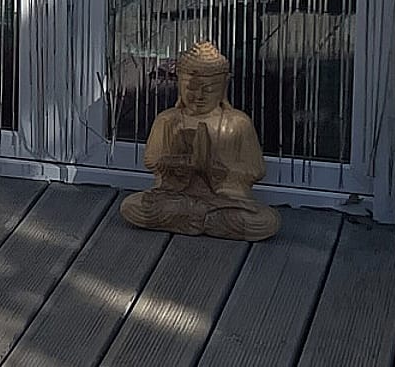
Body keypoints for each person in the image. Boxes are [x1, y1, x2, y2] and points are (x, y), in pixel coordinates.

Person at [120, 41, 280, 241]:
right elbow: (152, 161)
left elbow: (256, 170)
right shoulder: (168, 120)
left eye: (209, 89)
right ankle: (203, 220)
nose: (199, 96)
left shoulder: (238, 123)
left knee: (266, 220)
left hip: (224, 200)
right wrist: (176, 164)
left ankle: (195, 220)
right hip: (179, 196)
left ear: (222, 88)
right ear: (179, 85)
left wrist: (219, 169)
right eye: (191, 88)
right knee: (131, 206)